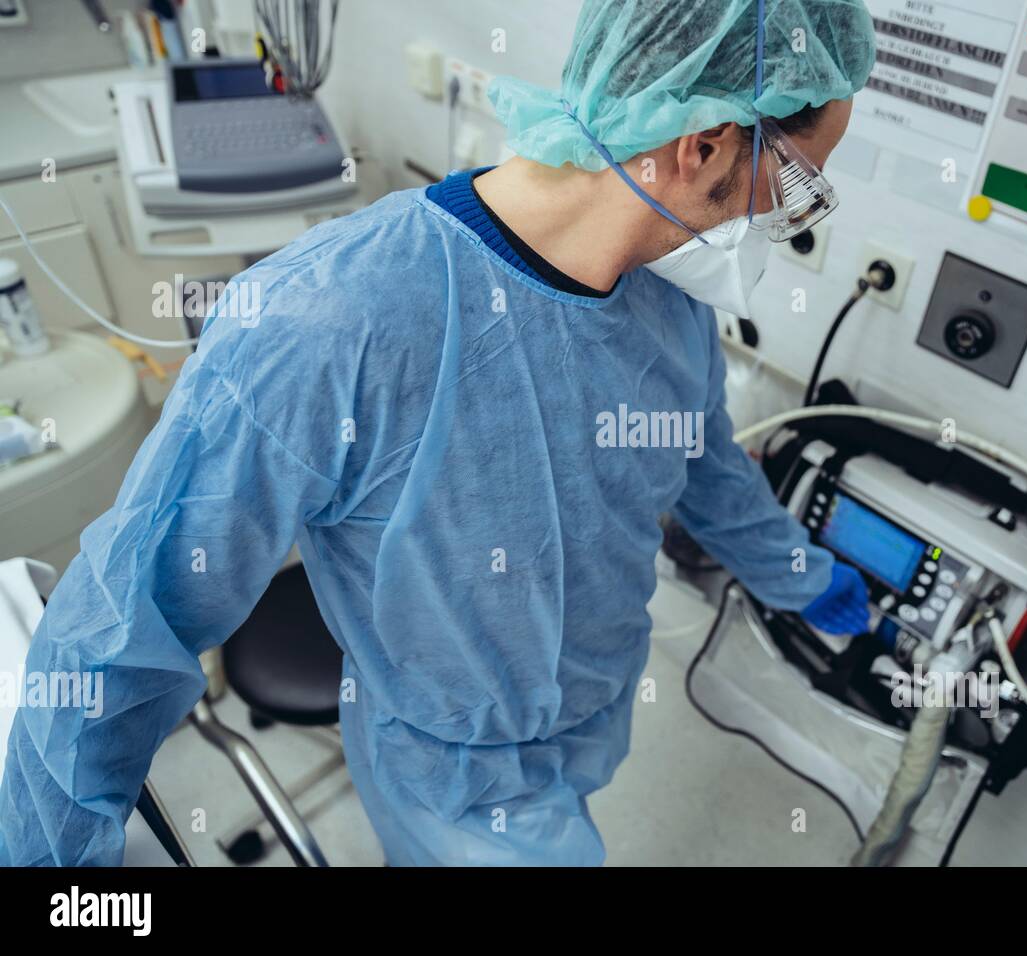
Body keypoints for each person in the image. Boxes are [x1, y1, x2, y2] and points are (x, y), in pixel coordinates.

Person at [0, 0, 876, 866]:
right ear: (706, 145)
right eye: (797, 181)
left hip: (588, 712)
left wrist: (797, 575)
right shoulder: (327, 319)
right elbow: (124, 623)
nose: (787, 219)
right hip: (448, 773)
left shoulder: (672, 301)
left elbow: (705, 462)